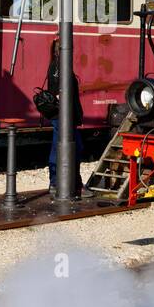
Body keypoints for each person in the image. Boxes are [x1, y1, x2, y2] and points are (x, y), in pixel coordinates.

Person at [46, 37, 86, 198]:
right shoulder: (59, 67)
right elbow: (58, 93)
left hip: (64, 115)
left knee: (67, 147)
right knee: (68, 148)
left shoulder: (57, 66)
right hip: (63, 116)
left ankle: (65, 183)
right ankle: (63, 183)